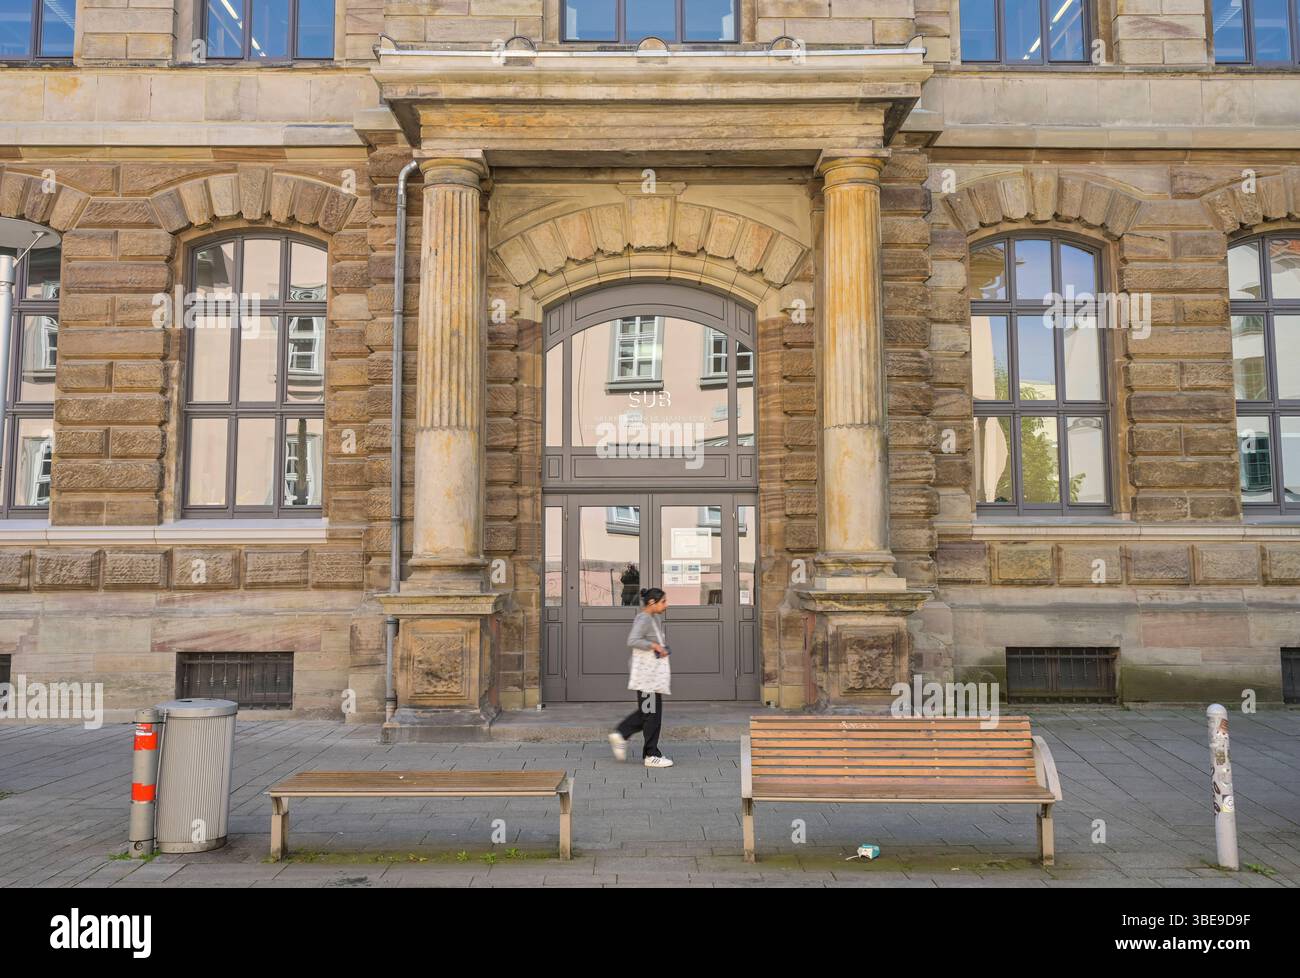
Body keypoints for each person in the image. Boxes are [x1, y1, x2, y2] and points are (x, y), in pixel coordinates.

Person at [609, 587, 673, 768]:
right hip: (647, 677)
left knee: (648, 712)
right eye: (663, 602)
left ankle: (622, 734)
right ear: (652, 603)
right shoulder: (644, 618)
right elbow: (632, 640)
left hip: (651, 675)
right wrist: (654, 645)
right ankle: (650, 754)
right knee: (651, 715)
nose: (666, 605)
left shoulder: (654, 618)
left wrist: (660, 647)